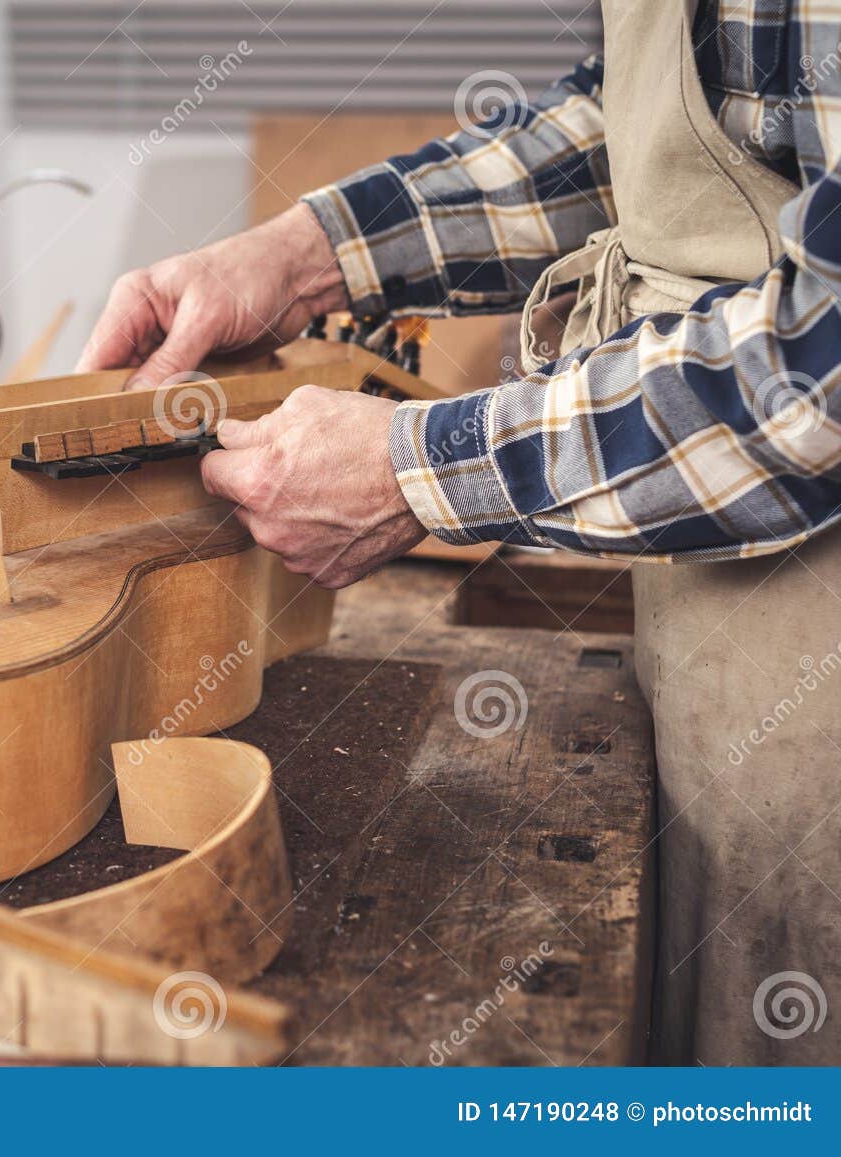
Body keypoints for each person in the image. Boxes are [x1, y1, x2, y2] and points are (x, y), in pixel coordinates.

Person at [79, 1, 841, 1065]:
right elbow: (644, 135)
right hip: (715, 608)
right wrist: (305, 254)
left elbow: (818, 370)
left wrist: (417, 470)